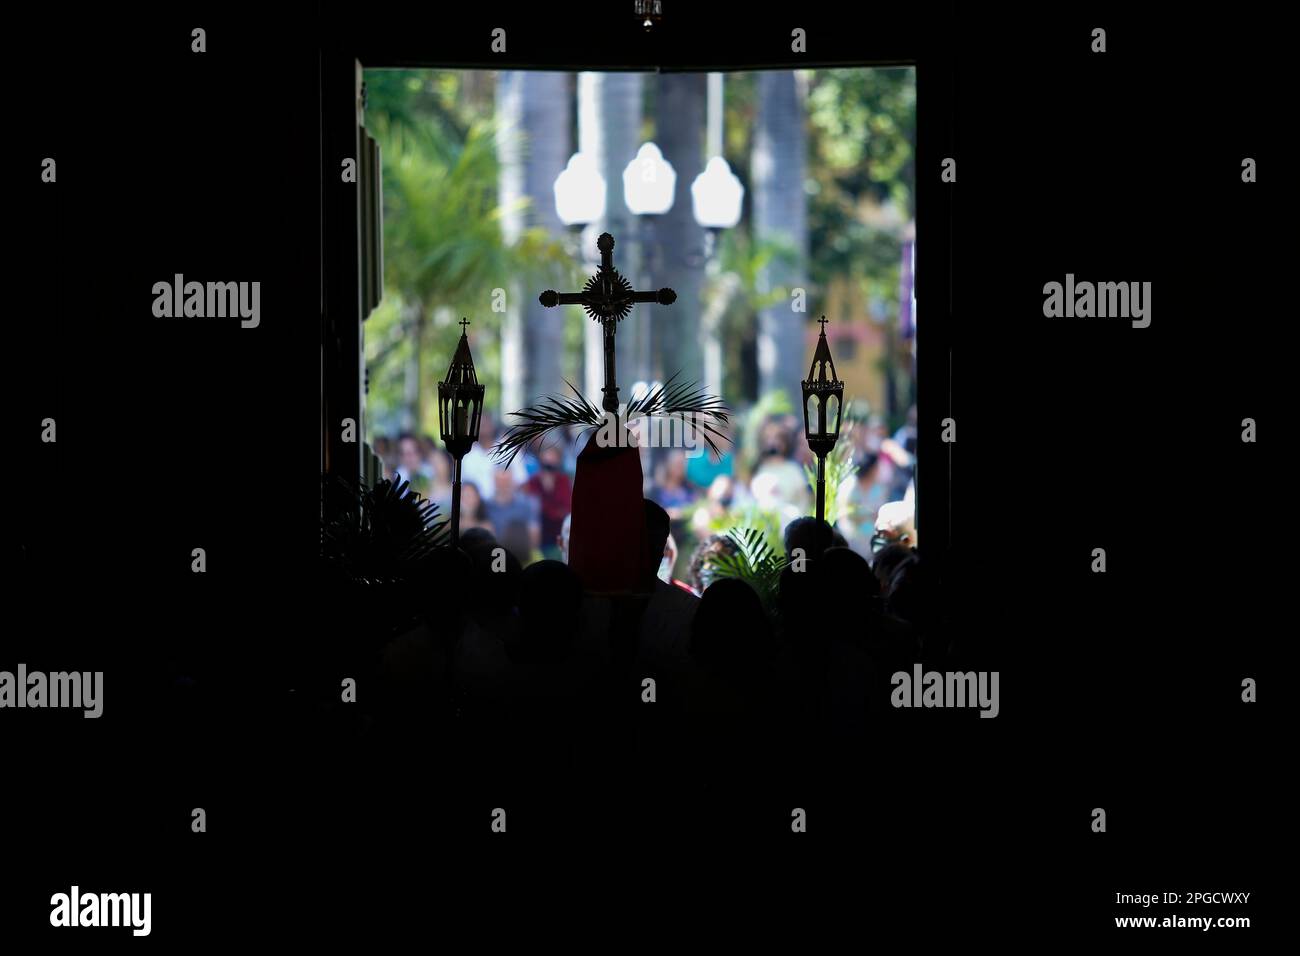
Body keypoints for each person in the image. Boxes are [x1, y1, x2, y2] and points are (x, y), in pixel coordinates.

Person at [522, 444, 573, 561]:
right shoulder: (533, 481)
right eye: (546, 461)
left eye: (552, 461)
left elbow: (566, 508)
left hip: (557, 534)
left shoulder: (563, 480)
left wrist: (549, 491)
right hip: (538, 535)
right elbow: (532, 508)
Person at [484, 468, 541, 565]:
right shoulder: (485, 506)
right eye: (499, 481)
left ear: (513, 481)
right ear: (494, 482)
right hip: (494, 557)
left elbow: (534, 535)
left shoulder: (526, 504)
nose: (503, 485)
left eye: (506, 481)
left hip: (522, 556)